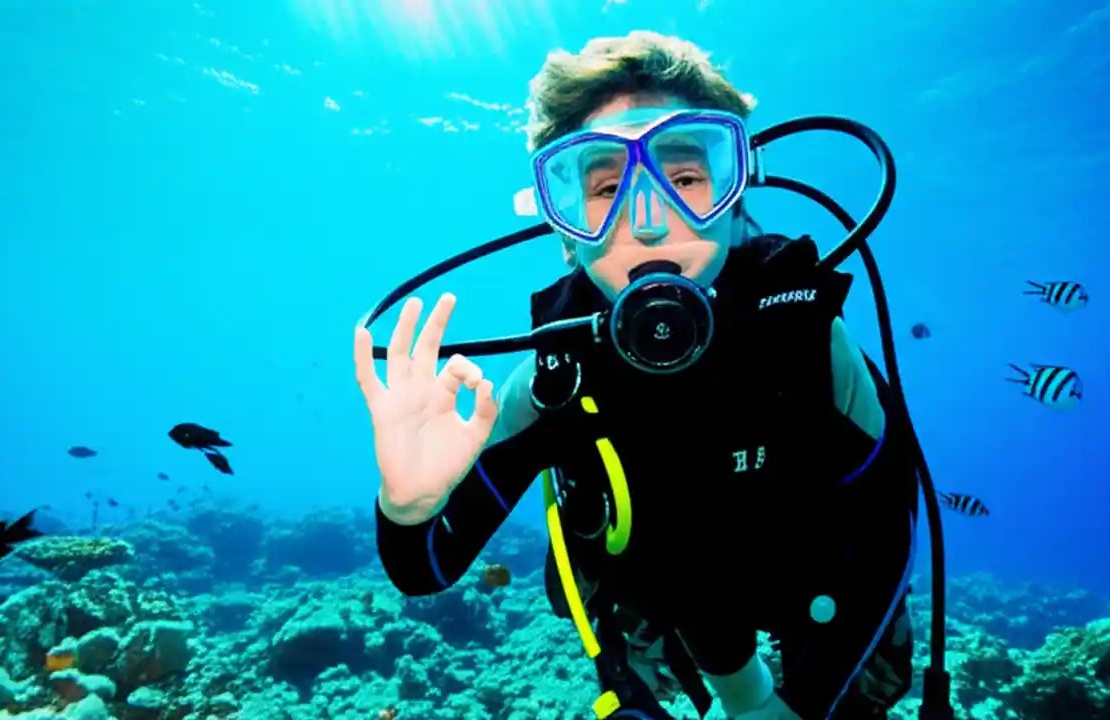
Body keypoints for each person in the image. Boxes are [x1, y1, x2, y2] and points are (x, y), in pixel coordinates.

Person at [355, 31, 918, 720]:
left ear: (735, 193)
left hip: (812, 587)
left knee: (875, 681)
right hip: (657, 596)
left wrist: (802, 706)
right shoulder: (553, 381)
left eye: (685, 179)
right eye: (605, 188)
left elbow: (889, 529)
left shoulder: (806, 342)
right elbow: (426, 569)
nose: (648, 222)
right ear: (566, 228)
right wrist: (408, 509)